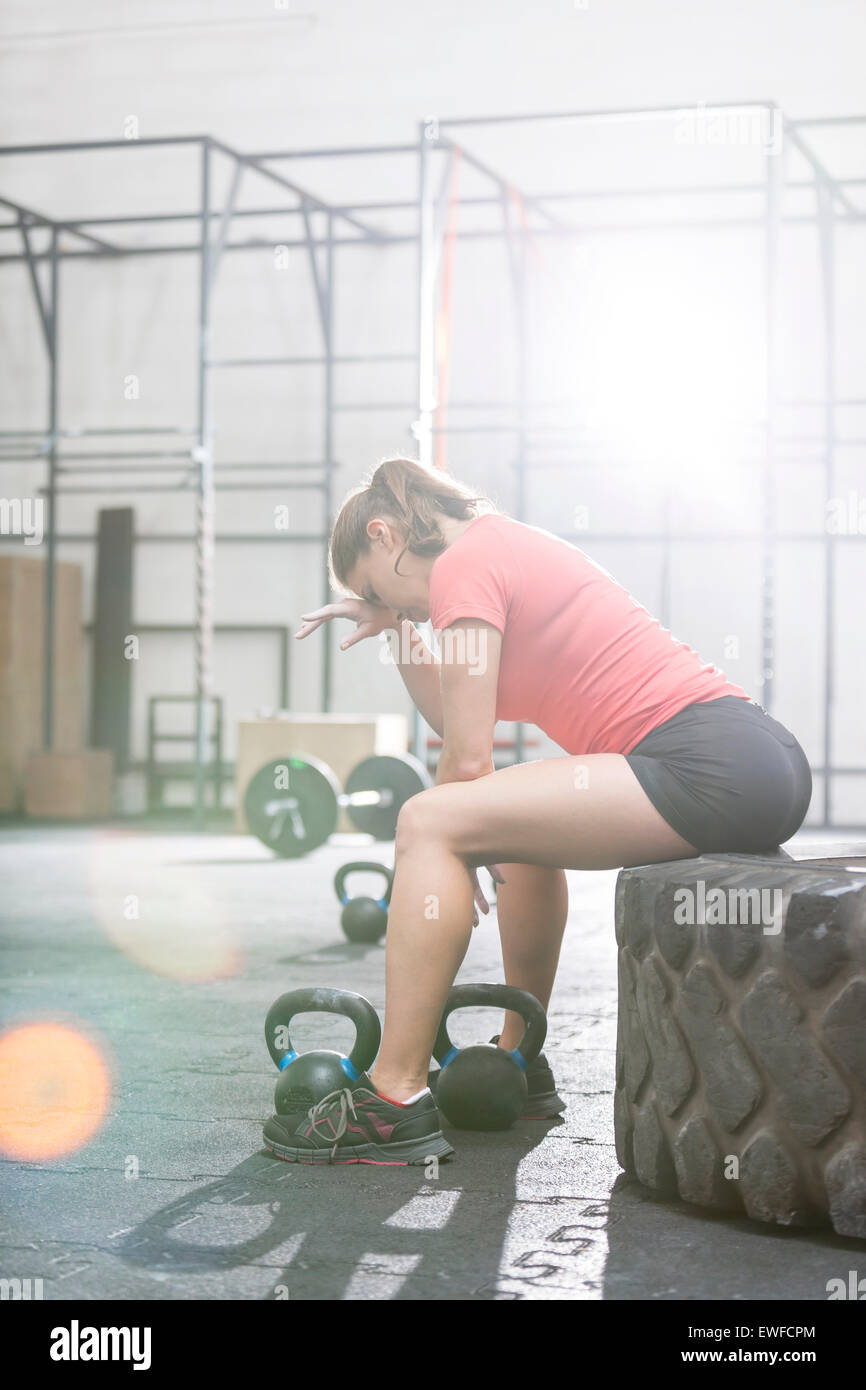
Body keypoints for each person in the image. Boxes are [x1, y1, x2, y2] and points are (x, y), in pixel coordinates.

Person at [262, 457, 812, 1165]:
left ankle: (392, 1095)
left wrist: (440, 853)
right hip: (750, 758)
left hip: (708, 760)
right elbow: (457, 715)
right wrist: (397, 627)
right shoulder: (497, 548)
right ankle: (520, 1062)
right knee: (509, 829)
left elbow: (462, 762)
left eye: (377, 586)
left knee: (429, 818)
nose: (403, 607)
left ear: (384, 532)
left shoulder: (465, 564)